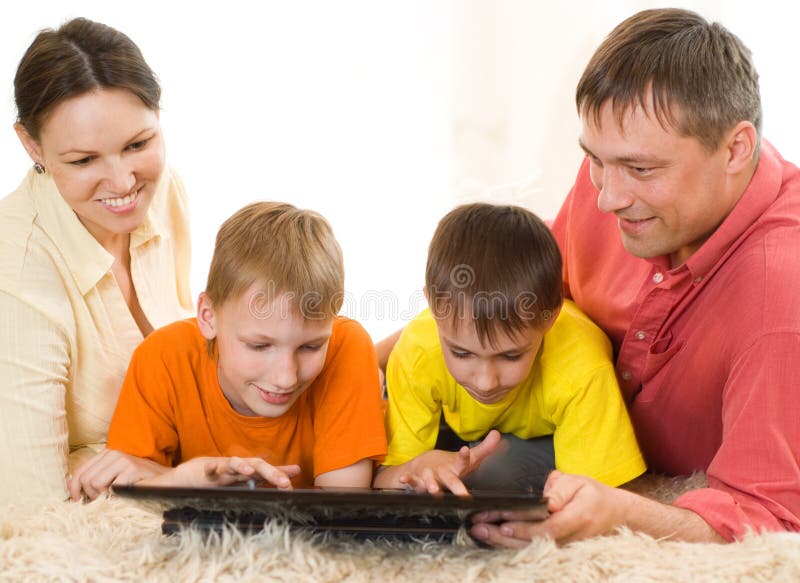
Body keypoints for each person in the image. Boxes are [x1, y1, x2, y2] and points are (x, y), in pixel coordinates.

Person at [467, 8, 800, 546]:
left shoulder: (781, 299)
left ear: (736, 149)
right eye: (596, 160)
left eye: (642, 170)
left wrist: (626, 516)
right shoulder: (619, 180)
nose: (607, 197)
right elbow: (509, 301)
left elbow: (769, 518)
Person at [68, 202, 387, 498]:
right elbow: (128, 492)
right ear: (208, 316)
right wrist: (182, 478)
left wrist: (168, 477)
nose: (286, 377)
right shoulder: (163, 358)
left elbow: (343, 505)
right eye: (259, 346)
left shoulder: (347, 346)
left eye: (310, 347)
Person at [0, 18, 193, 503]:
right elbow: (32, 508)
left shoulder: (165, 193)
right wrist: (157, 477)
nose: (123, 182)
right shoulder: (15, 268)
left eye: (138, 144)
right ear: (31, 145)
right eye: (84, 161)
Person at [373, 203, 645, 495]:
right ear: (433, 307)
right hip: (453, 422)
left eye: (511, 355)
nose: (486, 382)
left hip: (547, 434)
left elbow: (600, 498)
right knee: (414, 481)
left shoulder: (583, 369)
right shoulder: (417, 351)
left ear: (550, 317)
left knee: (494, 483)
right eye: (462, 353)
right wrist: (415, 468)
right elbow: (384, 480)